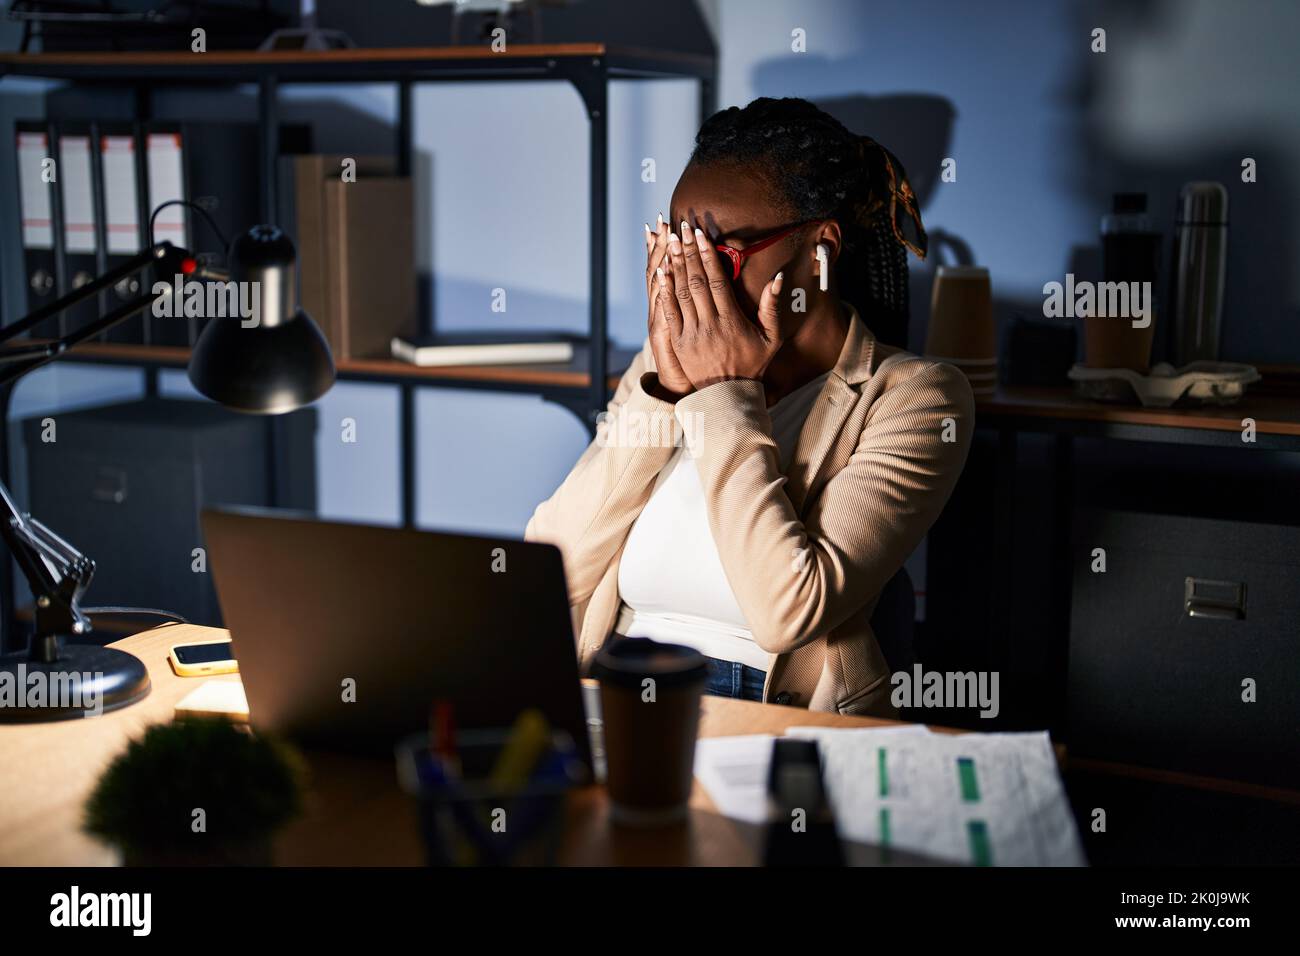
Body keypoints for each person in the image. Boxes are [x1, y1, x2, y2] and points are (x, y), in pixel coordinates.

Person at [526, 97, 973, 716]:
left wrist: (722, 398)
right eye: (677, 248)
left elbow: (786, 614)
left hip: (765, 704)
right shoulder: (660, 369)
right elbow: (558, 571)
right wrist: (668, 395)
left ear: (820, 249)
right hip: (618, 679)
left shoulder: (914, 398)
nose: (690, 278)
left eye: (722, 251)